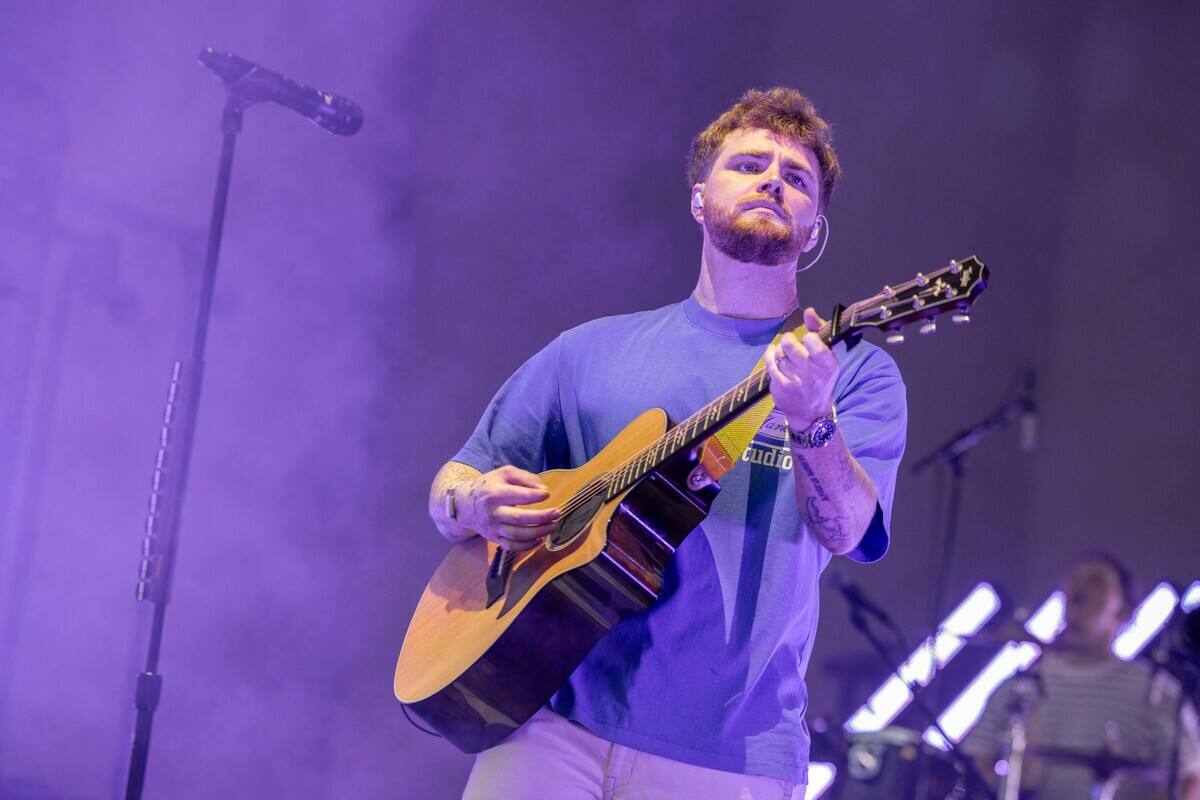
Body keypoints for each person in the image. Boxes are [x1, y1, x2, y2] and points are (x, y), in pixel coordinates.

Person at [427, 88, 908, 799]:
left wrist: (812, 419)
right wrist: (476, 503)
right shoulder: (589, 351)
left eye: (797, 178)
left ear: (813, 230)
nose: (774, 179)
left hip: (728, 753)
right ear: (698, 199)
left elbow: (849, 531)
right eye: (749, 164)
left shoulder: (853, 371)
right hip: (547, 720)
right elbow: (449, 488)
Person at [963, 554, 1200, 800]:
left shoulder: (1154, 690)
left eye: (1095, 581)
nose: (1079, 588)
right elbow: (975, 760)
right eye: (1073, 579)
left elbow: (1190, 778)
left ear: (1123, 612)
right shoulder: (1022, 685)